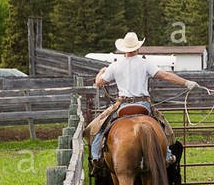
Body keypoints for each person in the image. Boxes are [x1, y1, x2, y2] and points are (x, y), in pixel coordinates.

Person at [87, 31, 204, 168]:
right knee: (162, 126)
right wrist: (186, 83)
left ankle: (96, 157)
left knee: (99, 128)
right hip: (143, 104)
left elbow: (99, 83)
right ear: (137, 48)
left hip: (123, 104)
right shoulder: (145, 63)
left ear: (124, 49)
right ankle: (166, 155)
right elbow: (165, 75)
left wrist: (101, 72)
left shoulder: (115, 65)